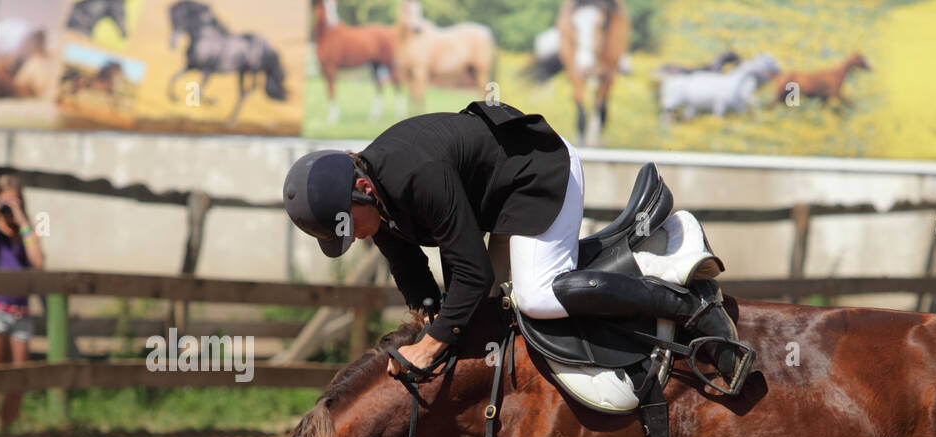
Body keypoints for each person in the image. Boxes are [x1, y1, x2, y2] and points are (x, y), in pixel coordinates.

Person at [282, 101, 742, 383]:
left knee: (538, 296)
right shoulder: (374, 194)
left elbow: (471, 271)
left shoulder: (414, 175)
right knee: (484, 311)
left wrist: (430, 345)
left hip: (540, 174)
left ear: (362, 189)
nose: (355, 237)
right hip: (500, 197)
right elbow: (408, 264)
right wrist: (429, 315)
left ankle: (680, 295)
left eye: (349, 226)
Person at [0, 174, 43, 431]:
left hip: (21, 313)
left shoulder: (24, 234)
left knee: (19, 378)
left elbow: (38, 262)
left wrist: (22, 220)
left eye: (16, 201)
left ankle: (6, 432)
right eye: (5, 201)